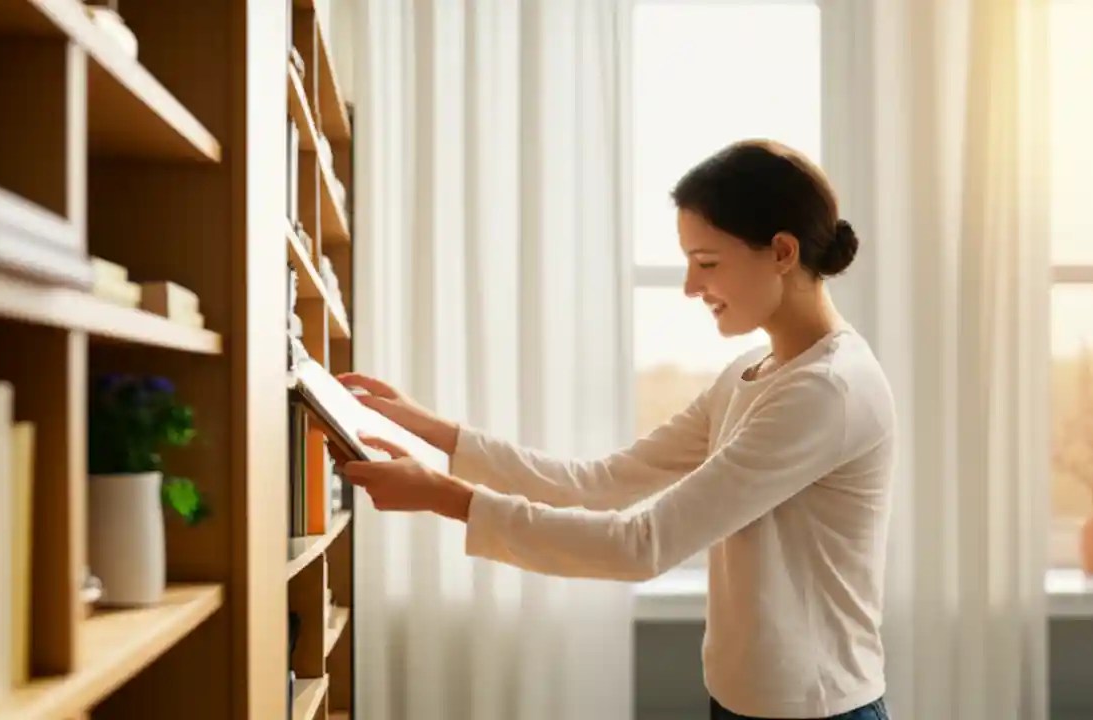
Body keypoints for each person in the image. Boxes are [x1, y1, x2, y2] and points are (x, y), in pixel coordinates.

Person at [337, 139, 895, 720]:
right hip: (744, 704)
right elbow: (599, 482)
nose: (689, 286)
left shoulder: (826, 390)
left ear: (782, 252)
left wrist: (446, 498)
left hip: (818, 710)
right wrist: (435, 430)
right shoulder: (750, 374)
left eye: (707, 263)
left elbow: (643, 545)